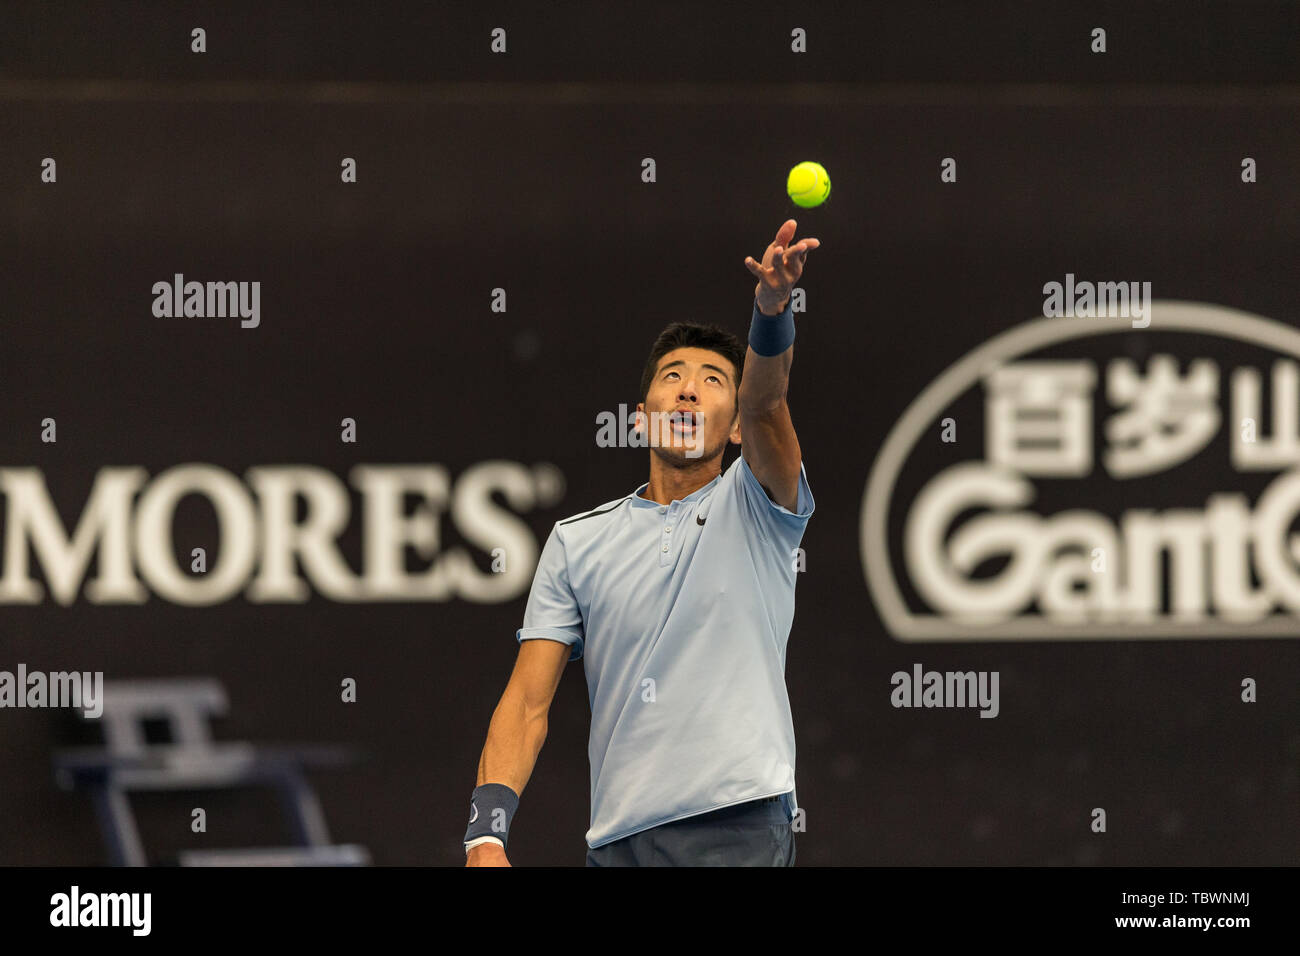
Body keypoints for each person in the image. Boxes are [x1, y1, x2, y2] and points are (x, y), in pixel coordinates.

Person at [464, 220, 821, 866]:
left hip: (737, 826)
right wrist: (487, 833)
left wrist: (771, 312)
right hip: (619, 842)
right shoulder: (578, 542)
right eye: (674, 375)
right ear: (641, 416)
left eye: (714, 380)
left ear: (736, 426)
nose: (688, 387)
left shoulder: (760, 505)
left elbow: (769, 402)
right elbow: (526, 701)